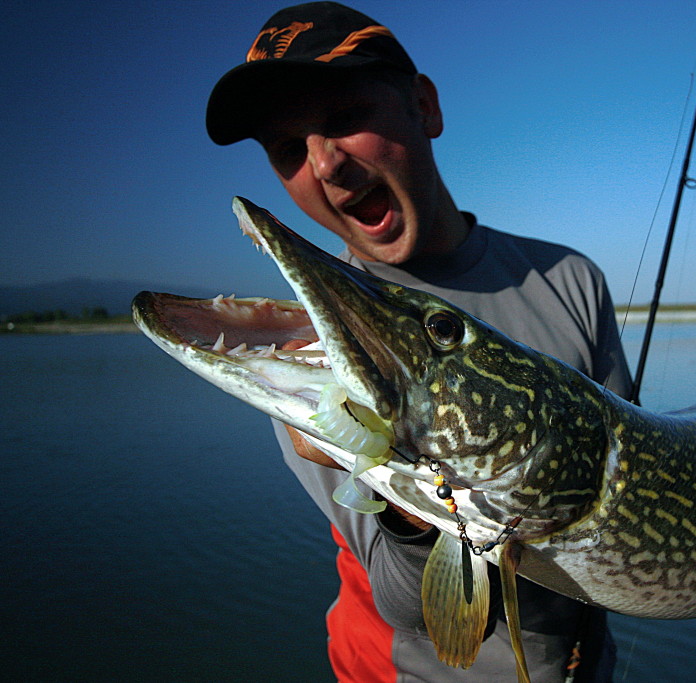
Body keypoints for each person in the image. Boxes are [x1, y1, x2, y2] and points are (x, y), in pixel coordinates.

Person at [206, 3, 633, 681]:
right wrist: (405, 506)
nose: (325, 164)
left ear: (425, 106)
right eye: (289, 149)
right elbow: (409, 604)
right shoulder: (312, 359)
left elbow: (625, 487)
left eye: (344, 115)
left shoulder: (571, 280)